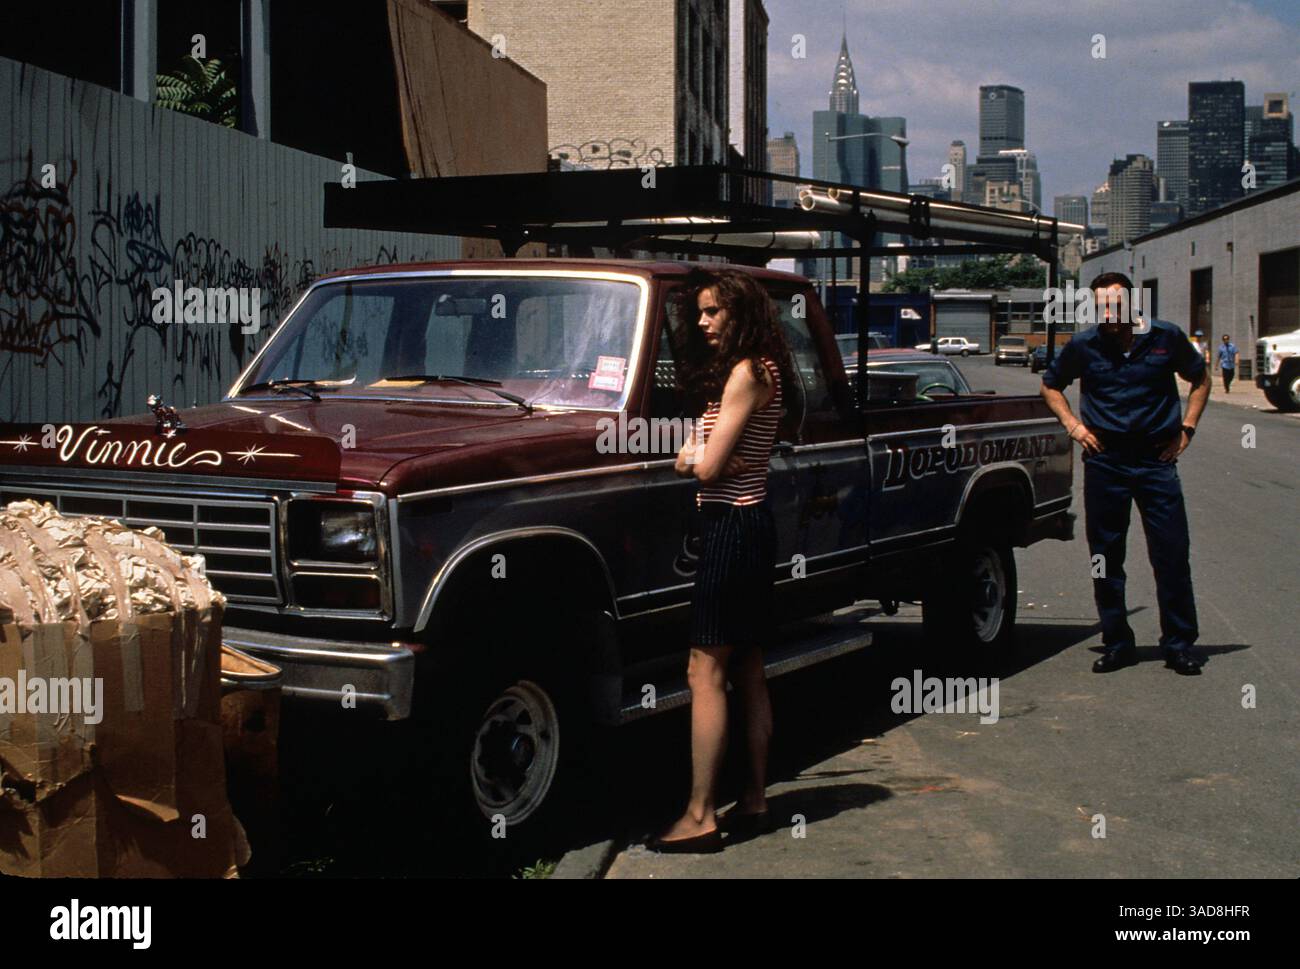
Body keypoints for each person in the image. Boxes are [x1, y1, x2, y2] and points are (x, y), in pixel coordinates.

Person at [647, 267, 793, 853]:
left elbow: (704, 467)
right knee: (749, 666)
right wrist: (710, 456)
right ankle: (754, 799)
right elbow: (724, 458)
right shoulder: (766, 371)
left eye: (715, 312)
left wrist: (694, 459)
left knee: (702, 671)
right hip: (751, 524)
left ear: (742, 314)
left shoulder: (745, 372)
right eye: (701, 312)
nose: (704, 322)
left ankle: (701, 814)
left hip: (732, 525)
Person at [1040, 271, 1211, 676]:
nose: (1109, 313)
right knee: (1105, 556)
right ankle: (1118, 643)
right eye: (1101, 306)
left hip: (1156, 461)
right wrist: (1074, 427)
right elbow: (1050, 386)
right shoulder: (1084, 345)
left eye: (1116, 304)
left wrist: (1187, 428)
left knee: (1171, 553)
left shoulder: (1165, 337)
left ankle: (1179, 644)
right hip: (1106, 462)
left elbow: (1200, 379)